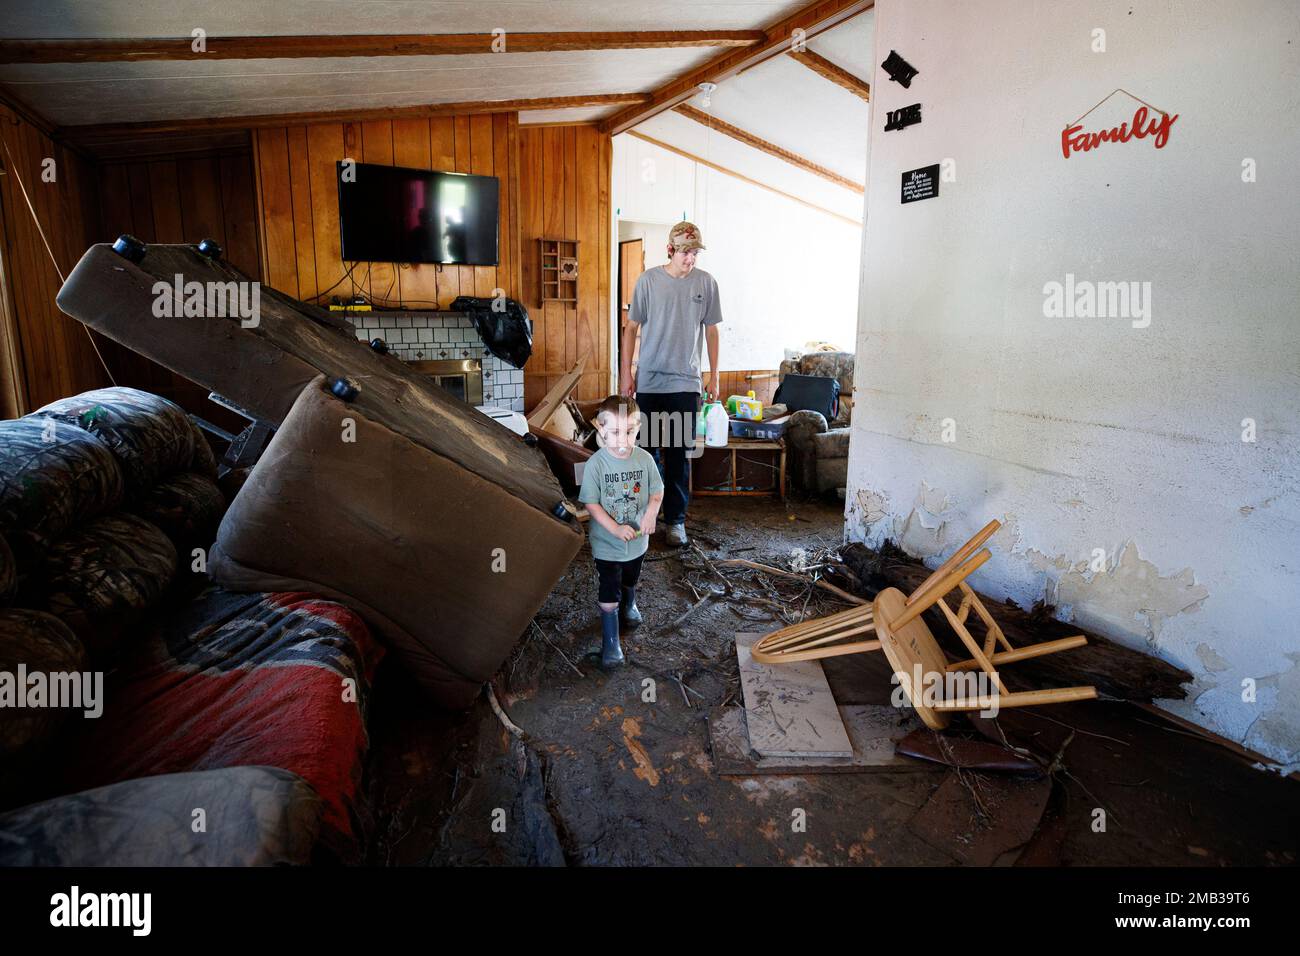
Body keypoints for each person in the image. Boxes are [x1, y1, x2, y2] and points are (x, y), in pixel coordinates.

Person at [619, 221, 722, 547]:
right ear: (670, 250)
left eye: (694, 252)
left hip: (685, 384)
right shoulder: (649, 281)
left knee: (678, 455)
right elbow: (631, 328)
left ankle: (675, 521)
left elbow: (712, 331)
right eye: (684, 252)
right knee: (646, 455)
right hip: (649, 383)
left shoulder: (706, 283)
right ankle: (641, 516)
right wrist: (626, 373)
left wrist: (714, 375)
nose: (690, 258)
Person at [578, 396, 664, 668]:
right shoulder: (595, 464)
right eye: (614, 432)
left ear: (638, 428)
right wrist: (614, 528)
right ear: (601, 429)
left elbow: (657, 491)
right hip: (607, 544)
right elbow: (590, 503)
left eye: (629, 431)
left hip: (638, 543)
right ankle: (612, 645)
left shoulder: (645, 459)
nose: (623, 439)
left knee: (631, 576)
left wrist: (651, 514)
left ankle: (630, 603)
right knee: (609, 587)